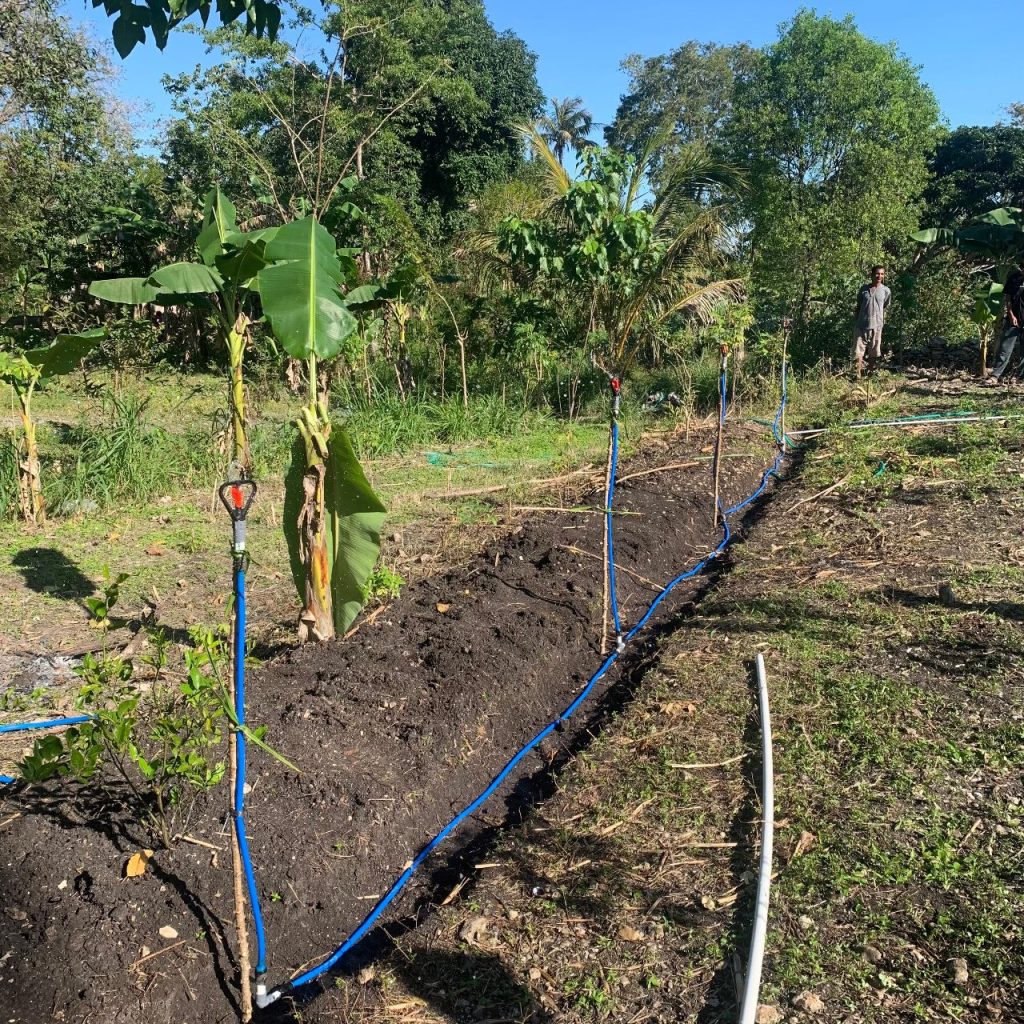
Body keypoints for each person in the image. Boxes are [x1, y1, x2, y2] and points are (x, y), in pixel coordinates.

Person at [985, 263, 1024, 385]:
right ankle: (995, 376)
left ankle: (1020, 377)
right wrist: (1011, 315)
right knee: (1004, 348)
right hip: (1013, 320)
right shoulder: (1014, 278)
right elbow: (1008, 298)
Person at [853, 265, 891, 377]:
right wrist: (857, 321)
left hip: (877, 325)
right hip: (861, 325)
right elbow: (859, 305)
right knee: (858, 352)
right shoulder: (864, 289)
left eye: (882, 274)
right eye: (877, 273)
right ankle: (857, 375)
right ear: (872, 275)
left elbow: (885, 305)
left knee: (874, 351)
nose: (879, 276)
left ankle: (870, 375)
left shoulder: (886, 291)